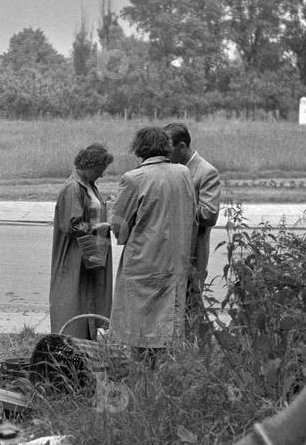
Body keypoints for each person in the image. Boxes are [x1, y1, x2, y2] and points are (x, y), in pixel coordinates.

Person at [108, 126, 196, 357]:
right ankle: (162, 380)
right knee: (168, 329)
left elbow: (120, 226)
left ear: (139, 148)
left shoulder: (134, 178)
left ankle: (142, 381)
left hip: (143, 263)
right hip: (176, 261)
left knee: (140, 330)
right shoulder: (183, 173)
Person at [49, 144, 114, 339]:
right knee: (74, 299)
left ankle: (87, 342)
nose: (101, 175)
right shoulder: (73, 188)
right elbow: (71, 225)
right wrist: (97, 227)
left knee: (90, 297)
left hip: (89, 253)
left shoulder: (89, 185)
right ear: (88, 166)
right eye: (99, 170)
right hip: (75, 255)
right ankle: (70, 344)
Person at [164, 121, 222, 329]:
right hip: (168, 253)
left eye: (168, 150)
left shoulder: (206, 172)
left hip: (192, 254)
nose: (165, 155)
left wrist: (176, 206)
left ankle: (196, 351)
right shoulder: (169, 168)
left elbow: (209, 214)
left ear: (182, 147)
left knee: (191, 306)